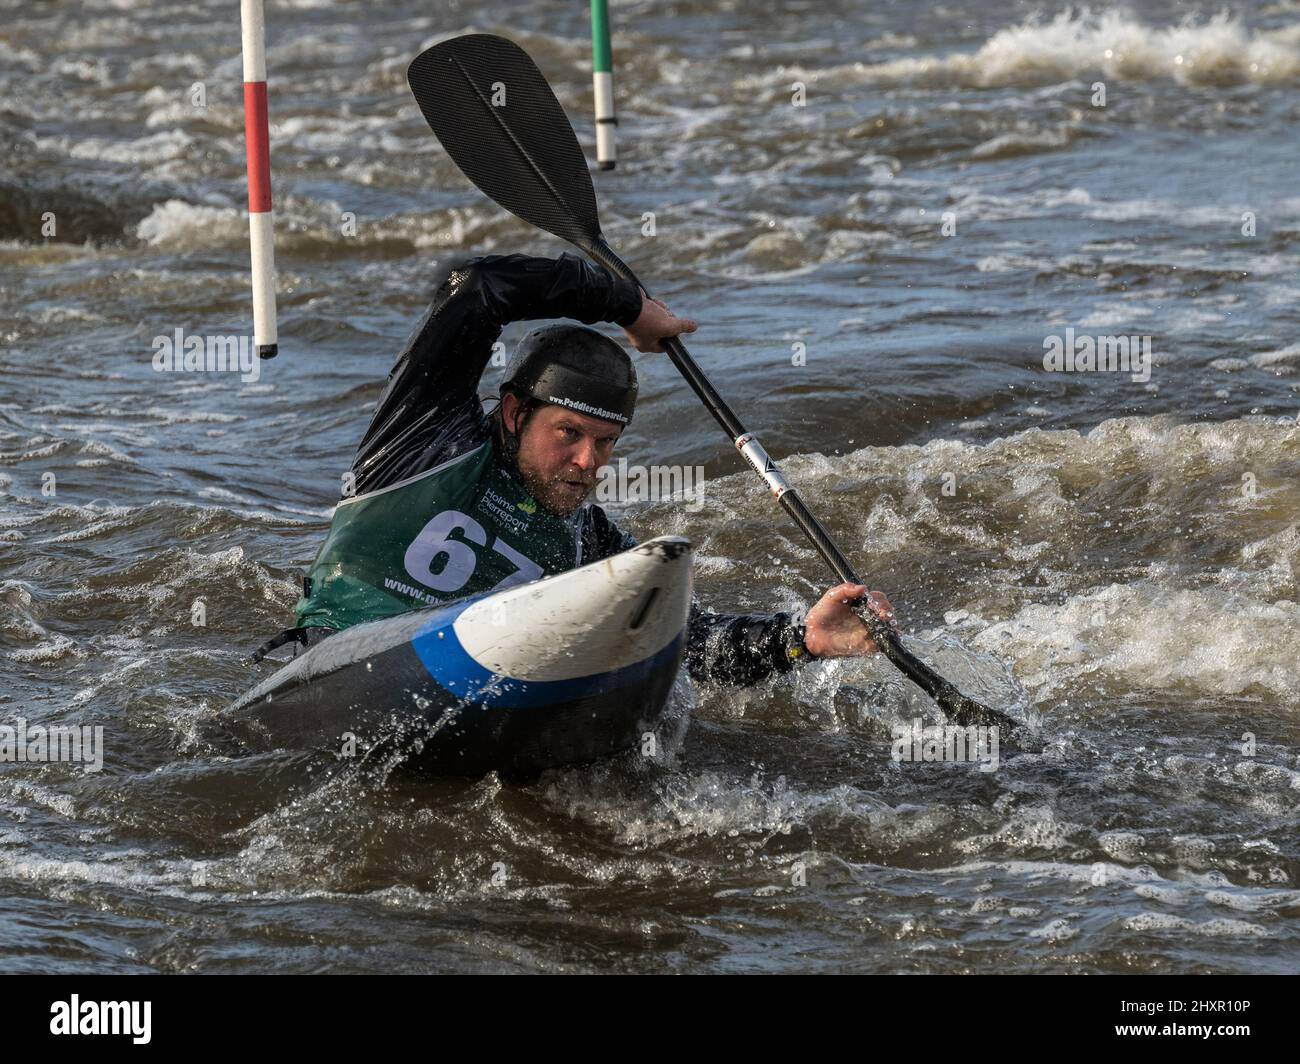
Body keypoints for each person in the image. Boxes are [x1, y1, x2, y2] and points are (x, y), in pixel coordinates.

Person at [263, 253, 893, 684]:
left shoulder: (584, 539)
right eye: (567, 433)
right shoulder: (421, 439)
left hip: (477, 690)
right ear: (513, 413)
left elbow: (677, 642)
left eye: (606, 442)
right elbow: (478, 287)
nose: (588, 462)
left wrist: (801, 640)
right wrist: (625, 306)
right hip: (335, 662)